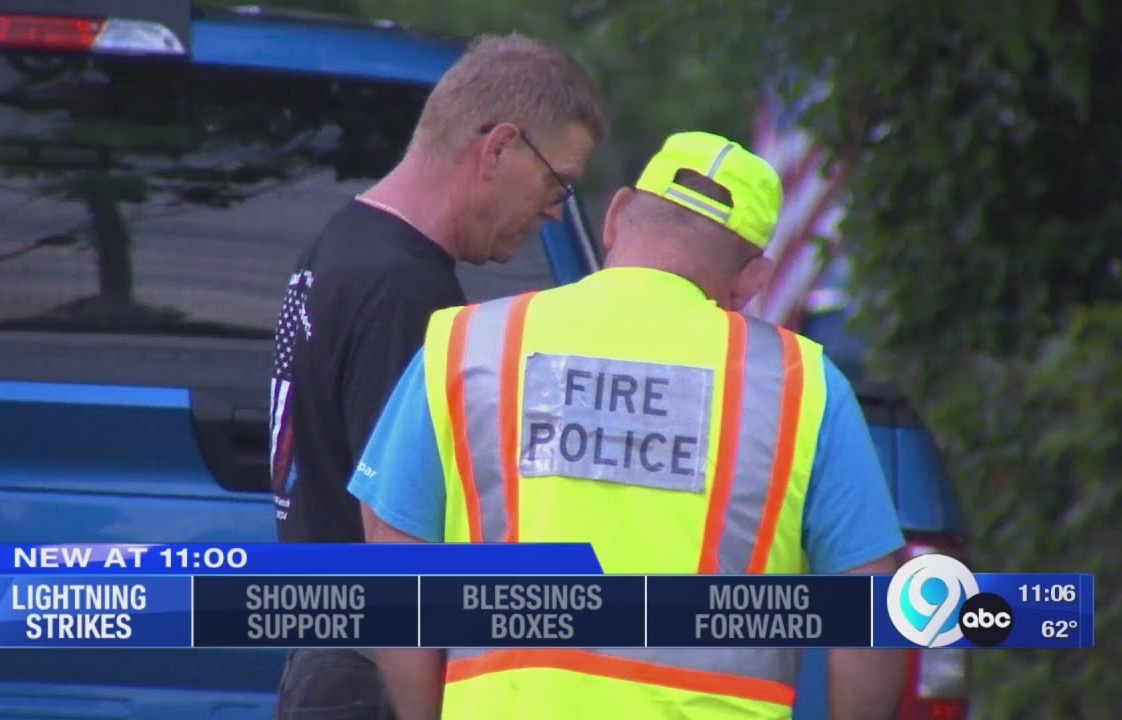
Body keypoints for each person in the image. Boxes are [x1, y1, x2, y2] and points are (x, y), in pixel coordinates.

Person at [346, 131, 907, 720]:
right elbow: (869, 602)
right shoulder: (802, 385)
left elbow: (394, 550)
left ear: (614, 217)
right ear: (752, 279)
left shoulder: (466, 345)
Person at [267, 33, 606, 720]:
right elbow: (403, 534)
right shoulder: (405, 293)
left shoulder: (342, 246)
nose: (551, 211)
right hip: (376, 670)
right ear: (499, 147)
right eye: (556, 184)